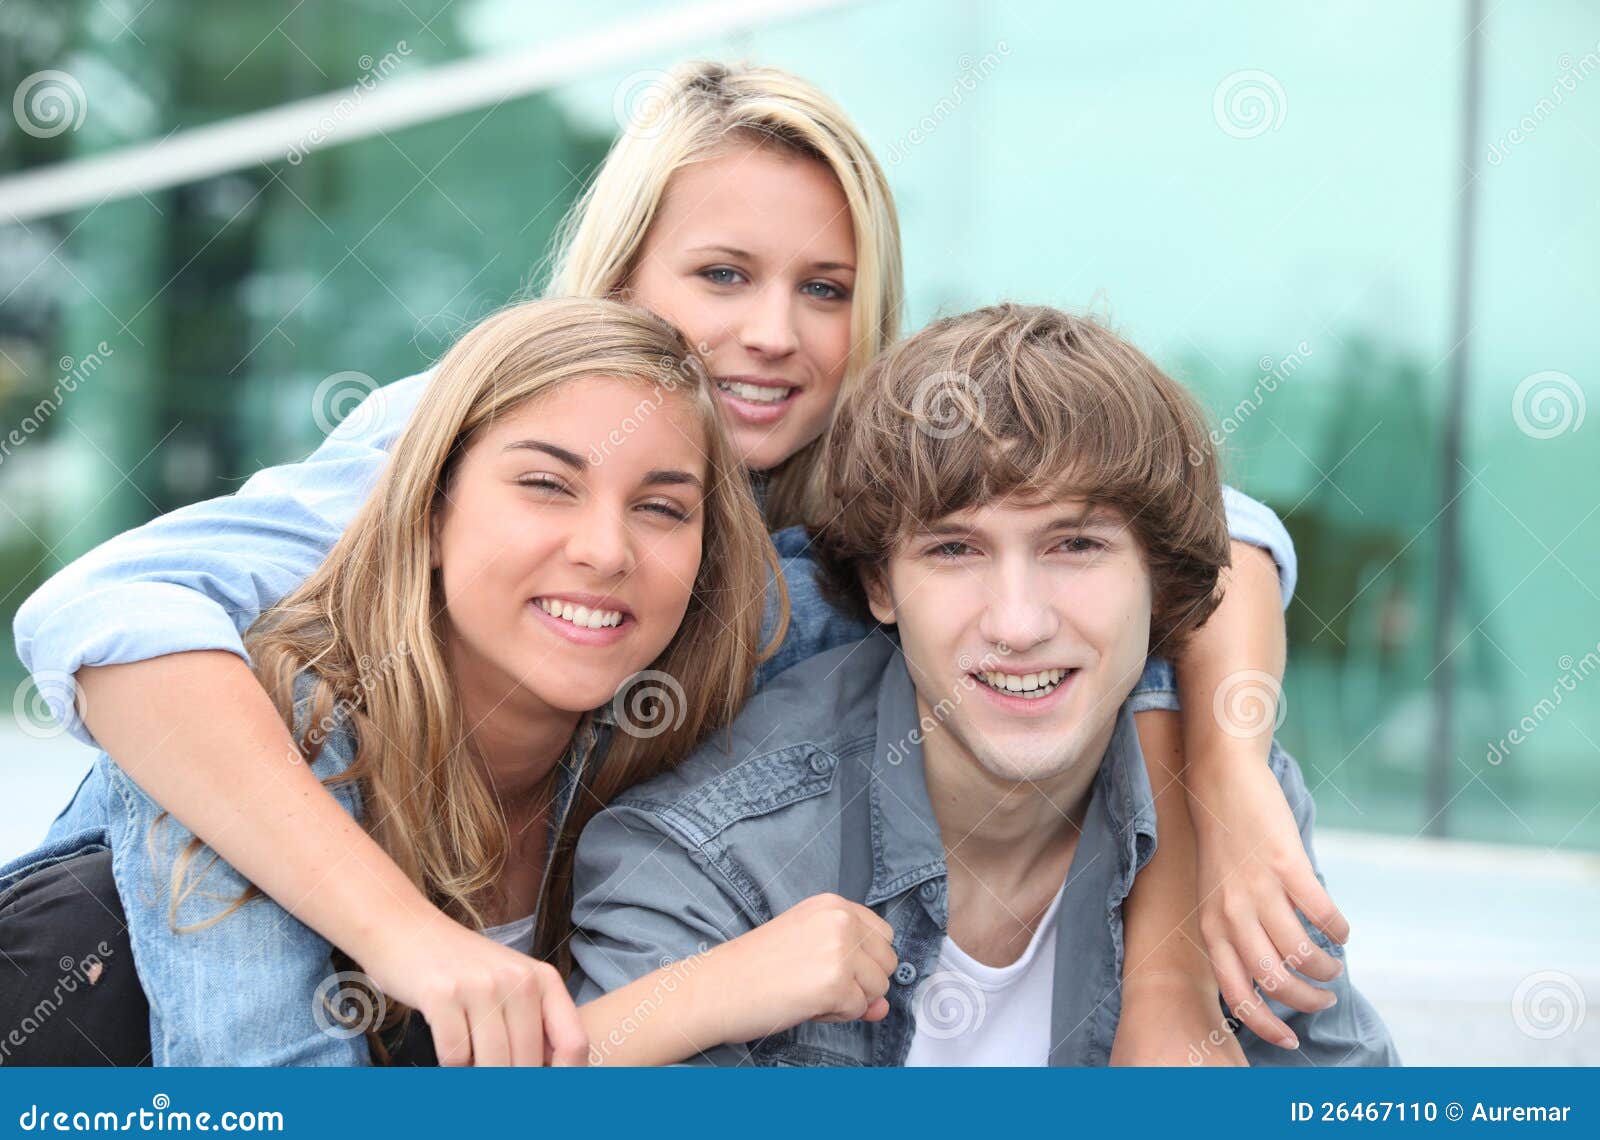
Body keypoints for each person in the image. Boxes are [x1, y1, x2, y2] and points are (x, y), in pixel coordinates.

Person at [12, 63, 1326, 1062]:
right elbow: (104, 610)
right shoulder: (475, 431)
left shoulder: (835, 523)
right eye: (722, 274)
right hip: (142, 975)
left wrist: (1226, 796)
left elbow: (1200, 546)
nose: (773, 333)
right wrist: (403, 937)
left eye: (824, 289)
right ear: (621, 278)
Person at [0, 298, 901, 1067]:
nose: (603, 550)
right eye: (548, 485)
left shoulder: (665, 755)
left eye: (662, 507)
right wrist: (695, 998)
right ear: (430, 513)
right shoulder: (264, 727)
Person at [568, 304, 1401, 1066]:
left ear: (1160, 583)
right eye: (955, 550)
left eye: (1074, 545)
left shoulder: (1229, 816)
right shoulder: (717, 853)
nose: (1017, 621)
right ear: (880, 585)